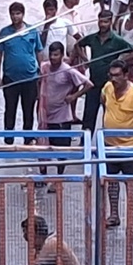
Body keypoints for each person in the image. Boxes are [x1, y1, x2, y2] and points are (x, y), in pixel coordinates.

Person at [100, 60, 133, 229]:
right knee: (112, 181)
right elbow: (103, 102)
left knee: (130, 184)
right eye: (111, 75)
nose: (113, 79)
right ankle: (114, 214)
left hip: (129, 147)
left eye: (117, 76)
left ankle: (131, 219)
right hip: (109, 145)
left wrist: (131, 128)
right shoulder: (107, 88)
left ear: (125, 75)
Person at [76, 7, 133, 132]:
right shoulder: (92, 38)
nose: (102, 25)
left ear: (111, 22)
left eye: (105, 22)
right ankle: (84, 143)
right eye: (100, 21)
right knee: (89, 115)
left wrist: (121, 64)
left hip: (111, 85)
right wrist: (85, 59)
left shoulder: (117, 41)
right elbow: (78, 45)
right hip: (93, 84)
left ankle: (107, 141)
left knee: (109, 115)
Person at [37, 40, 90, 170]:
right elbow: (38, 81)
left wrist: (73, 96)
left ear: (62, 56)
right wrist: (39, 96)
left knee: (61, 153)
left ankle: (59, 180)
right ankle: (42, 178)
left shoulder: (68, 71)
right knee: (42, 149)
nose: (53, 58)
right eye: (51, 55)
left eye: (56, 55)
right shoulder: (44, 67)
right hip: (45, 117)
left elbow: (88, 84)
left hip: (61, 119)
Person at [0, 2, 44, 136]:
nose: (15, 17)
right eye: (13, 14)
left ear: (23, 14)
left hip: (30, 77)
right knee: (10, 109)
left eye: (18, 13)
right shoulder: (4, 33)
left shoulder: (33, 31)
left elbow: (39, 51)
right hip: (10, 78)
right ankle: (9, 139)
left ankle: (28, 139)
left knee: (28, 110)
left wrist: (42, 73)